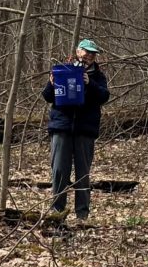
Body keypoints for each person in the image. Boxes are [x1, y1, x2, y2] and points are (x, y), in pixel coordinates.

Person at [42, 38, 110, 224]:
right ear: (78, 51)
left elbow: (104, 97)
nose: (88, 56)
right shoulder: (63, 70)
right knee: (59, 172)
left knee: (83, 173)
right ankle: (57, 213)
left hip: (85, 130)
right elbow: (47, 96)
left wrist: (90, 84)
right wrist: (51, 83)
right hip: (61, 127)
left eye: (92, 54)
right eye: (86, 52)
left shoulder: (98, 76)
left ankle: (82, 215)